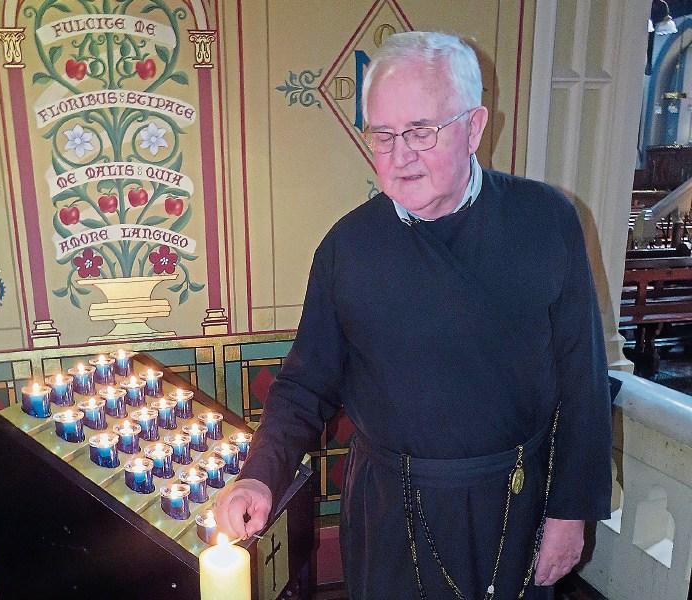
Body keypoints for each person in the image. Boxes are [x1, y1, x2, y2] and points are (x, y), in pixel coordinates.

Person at [214, 31, 612, 599]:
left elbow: (583, 380)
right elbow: (305, 385)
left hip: (514, 504)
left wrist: (571, 512)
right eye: (383, 135)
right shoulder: (347, 248)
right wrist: (259, 474)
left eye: (421, 133)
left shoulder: (546, 221)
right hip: (390, 513)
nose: (400, 155)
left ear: (474, 128)